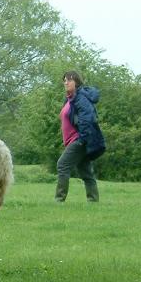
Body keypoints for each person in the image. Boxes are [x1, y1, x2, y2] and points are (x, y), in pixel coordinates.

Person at [55, 71, 105, 202]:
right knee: (86, 172)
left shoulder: (80, 97)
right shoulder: (70, 98)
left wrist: (82, 139)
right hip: (74, 139)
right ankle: (93, 201)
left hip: (79, 140)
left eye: (69, 80)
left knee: (62, 165)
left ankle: (59, 200)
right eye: (64, 80)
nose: (66, 82)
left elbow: (87, 119)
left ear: (76, 82)